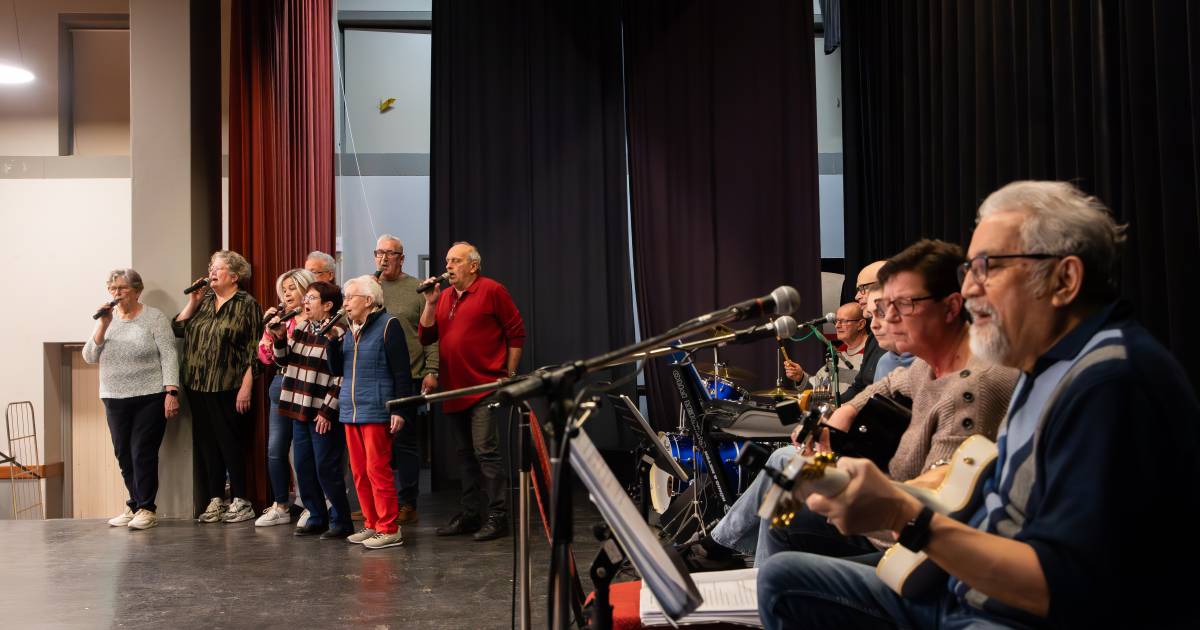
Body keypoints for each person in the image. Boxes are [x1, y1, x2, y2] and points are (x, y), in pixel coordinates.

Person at [757, 181, 1200, 628]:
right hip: (963, 590)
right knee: (783, 576)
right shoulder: (1046, 364)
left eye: (988, 267)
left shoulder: (1110, 383)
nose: (968, 288)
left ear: (1064, 279)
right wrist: (886, 493)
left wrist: (900, 513)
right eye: (969, 269)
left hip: (1003, 616)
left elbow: (1065, 589)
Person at [710, 240, 1018, 566]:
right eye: (884, 308)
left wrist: (849, 484)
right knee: (785, 498)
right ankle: (737, 562)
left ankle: (732, 560)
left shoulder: (969, 390)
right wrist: (844, 414)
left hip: (905, 546)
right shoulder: (928, 366)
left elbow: (934, 509)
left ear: (952, 308)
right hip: (890, 508)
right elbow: (886, 384)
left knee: (787, 497)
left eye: (904, 305)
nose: (887, 319)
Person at [419, 242, 526, 541]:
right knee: (464, 456)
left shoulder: (492, 290)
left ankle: (498, 516)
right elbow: (426, 336)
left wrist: (509, 375)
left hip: (485, 387)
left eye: (455, 261)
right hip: (454, 389)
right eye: (447, 261)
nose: (448, 266)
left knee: (485, 452)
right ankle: (470, 515)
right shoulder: (443, 297)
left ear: (473, 266)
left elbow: (516, 332)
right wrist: (430, 303)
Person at [82, 269, 180, 531]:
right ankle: (135, 504)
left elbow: (169, 354)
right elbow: (89, 356)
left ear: (137, 290)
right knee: (123, 454)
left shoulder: (154, 317)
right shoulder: (107, 319)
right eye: (113, 288)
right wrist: (103, 325)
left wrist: (171, 391)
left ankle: (147, 508)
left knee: (142, 452)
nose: (117, 293)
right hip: (114, 397)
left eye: (122, 288)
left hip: (150, 395)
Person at [326, 275, 414, 550]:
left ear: (368, 300)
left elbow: (402, 372)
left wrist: (399, 409)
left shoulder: (389, 325)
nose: (345, 303)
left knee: (377, 470)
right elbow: (337, 369)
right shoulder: (349, 328)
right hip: (351, 410)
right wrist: (332, 342)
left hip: (376, 408)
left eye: (350, 297)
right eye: (345, 297)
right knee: (359, 473)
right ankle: (372, 523)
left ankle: (389, 528)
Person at [174, 250, 263, 524]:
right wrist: (193, 301)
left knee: (229, 442)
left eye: (218, 268)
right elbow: (178, 328)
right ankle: (216, 498)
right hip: (197, 384)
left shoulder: (246, 304)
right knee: (207, 443)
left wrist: (246, 387)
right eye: (211, 266)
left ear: (234, 276)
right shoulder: (204, 300)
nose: (212, 271)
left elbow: (255, 349)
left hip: (228, 385)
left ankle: (241, 500)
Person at [269, 280, 352, 539]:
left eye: (312, 298)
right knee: (303, 467)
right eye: (306, 298)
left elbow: (341, 376)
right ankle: (317, 516)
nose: (305, 302)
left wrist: (327, 411)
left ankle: (341, 520)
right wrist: (279, 338)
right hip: (299, 408)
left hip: (321, 412)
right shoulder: (302, 327)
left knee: (326, 468)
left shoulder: (338, 333)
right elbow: (284, 361)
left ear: (328, 305)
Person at [374, 234, 439, 525]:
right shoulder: (368, 288)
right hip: (375, 378)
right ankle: (380, 504)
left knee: (404, 442)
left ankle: (408, 503)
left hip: (409, 376)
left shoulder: (416, 289)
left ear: (401, 258)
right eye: (379, 252)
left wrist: (432, 370)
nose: (384, 258)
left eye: (390, 253)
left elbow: (430, 333)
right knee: (376, 443)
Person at [254, 268, 315, 527]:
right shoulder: (280, 319)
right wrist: (272, 333)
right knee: (276, 449)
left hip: (308, 387)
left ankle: (312, 504)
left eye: (292, 288)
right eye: (284, 290)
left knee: (304, 451)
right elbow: (264, 354)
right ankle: (280, 504)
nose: (287, 294)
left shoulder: (315, 319)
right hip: (281, 383)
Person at [785, 302, 869, 397]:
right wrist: (801, 377)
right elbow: (820, 388)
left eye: (844, 321)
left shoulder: (873, 353)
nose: (837, 326)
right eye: (836, 321)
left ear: (861, 324)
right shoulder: (837, 353)